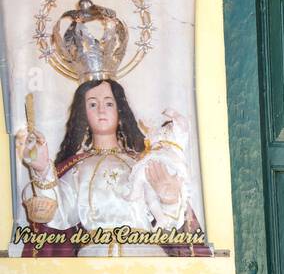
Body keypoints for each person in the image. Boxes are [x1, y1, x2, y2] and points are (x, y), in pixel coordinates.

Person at [15, 77, 194, 257]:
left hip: (143, 259)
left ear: (119, 110)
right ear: (83, 113)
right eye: (92, 104)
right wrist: (42, 169)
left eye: (108, 104)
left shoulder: (141, 163)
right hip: (94, 264)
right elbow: (57, 215)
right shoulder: (79, 168)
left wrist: (170, 199)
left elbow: (169, 223)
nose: (101, 109)